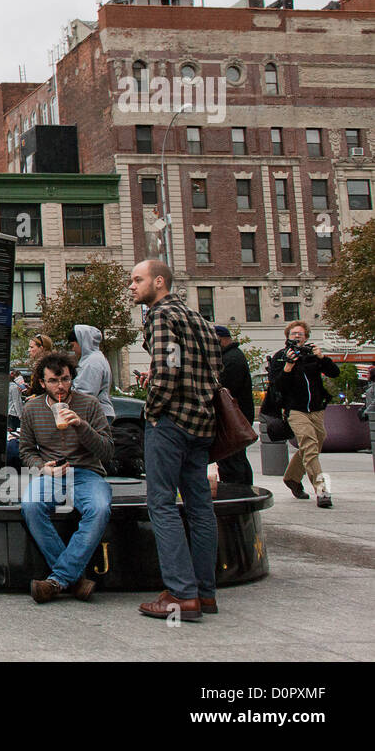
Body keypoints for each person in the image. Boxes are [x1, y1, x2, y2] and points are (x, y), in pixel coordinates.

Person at [128, 259, 221, 622]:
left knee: (162, 505)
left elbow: (167, 372)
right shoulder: (198, 319)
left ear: (159, 282)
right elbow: (213, 371)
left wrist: (152, 410)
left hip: (171, 424)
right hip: (202, 423)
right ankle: (205, 592)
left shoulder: (160, 316)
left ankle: (182, 594)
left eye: (138, 280)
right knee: (200, 508)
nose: (133, 287)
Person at [19, 352, 113, 603]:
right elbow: (26, 450)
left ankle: (58, 580)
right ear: (42, 382)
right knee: (30, 505)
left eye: (65, 379)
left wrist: (81, 426)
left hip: (87, 473)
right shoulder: (32, 408)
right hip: (51, 473)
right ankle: (76, 579)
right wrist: (42, 467)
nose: (60, 386)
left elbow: (107, 450)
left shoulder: (90, 405)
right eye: (53, 381)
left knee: (100, 508)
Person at [268, 320, 339, 508]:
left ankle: (291, 478)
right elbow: (277, 386)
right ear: (287, 337)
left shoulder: (312, 356)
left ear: (306, 337)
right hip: (295, 410)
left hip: (316, 409)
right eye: (293, 334)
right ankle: (322, 491)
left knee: (314, 445)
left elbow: (334, 373)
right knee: (309, 445)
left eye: (300, 334)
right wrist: (288, 368)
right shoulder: (281, 357)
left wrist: (322, 358)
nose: (297, 336)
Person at [214, 325, 254, 487]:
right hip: (236, 417)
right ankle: (243, 490)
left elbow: (223, 388)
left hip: (234, 419)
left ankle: (239, 492)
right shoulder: (232, 356)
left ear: (220, 340)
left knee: (232, 459)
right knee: (235, 458)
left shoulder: (231, 359)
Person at [69, 325, 115, 427]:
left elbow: (86, 392)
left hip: (94, 415)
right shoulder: (96, 358)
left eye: (73, 345)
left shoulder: (92, 362)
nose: (73, 350)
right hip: (99, 413)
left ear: (82, 342)